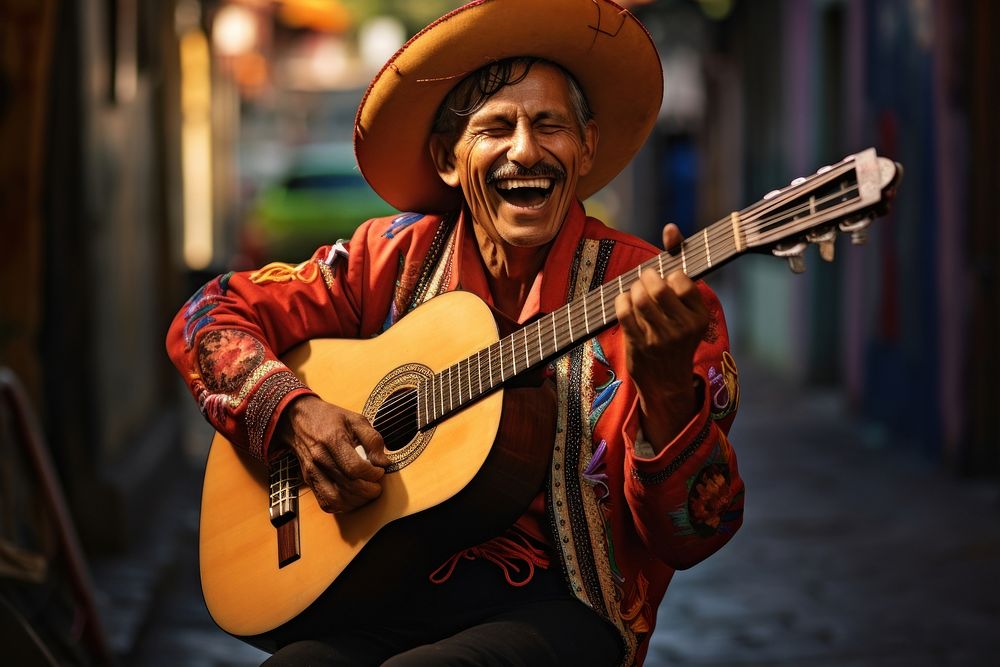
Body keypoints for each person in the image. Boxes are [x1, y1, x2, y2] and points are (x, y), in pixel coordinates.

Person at [167, 1, 744, 664]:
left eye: (548, 124)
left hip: (562, 608)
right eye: (496, 127)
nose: (524, 149)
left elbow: (699, 531)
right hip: (374, 588)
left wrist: (668, 389)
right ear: (448, 158)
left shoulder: (658, 296)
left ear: (585, 148)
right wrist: (294, 413)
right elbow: (208, 316)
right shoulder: (389, 258)